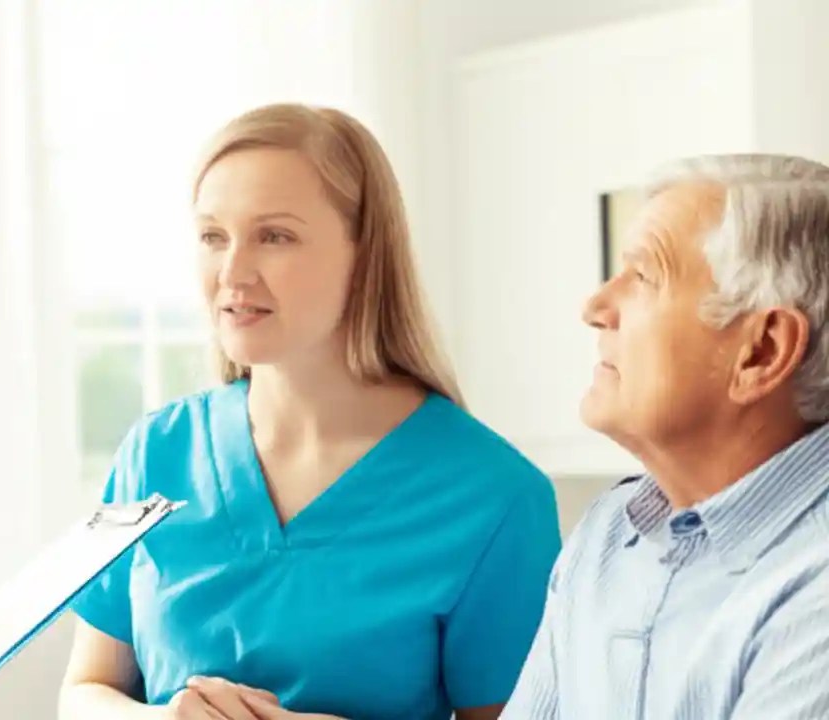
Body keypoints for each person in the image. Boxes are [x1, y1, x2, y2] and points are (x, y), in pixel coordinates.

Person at [57, 103, 562, 720]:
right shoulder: (155, 450)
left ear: (365, 254)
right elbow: (83, 695)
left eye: (275, 236)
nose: (233, 272)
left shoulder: (495, 496)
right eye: (213, 236)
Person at [502, 154, 829, 719]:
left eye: (644, 277)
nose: (596, 308)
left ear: (762, 351)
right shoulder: (606, 536)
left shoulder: (815, 586)